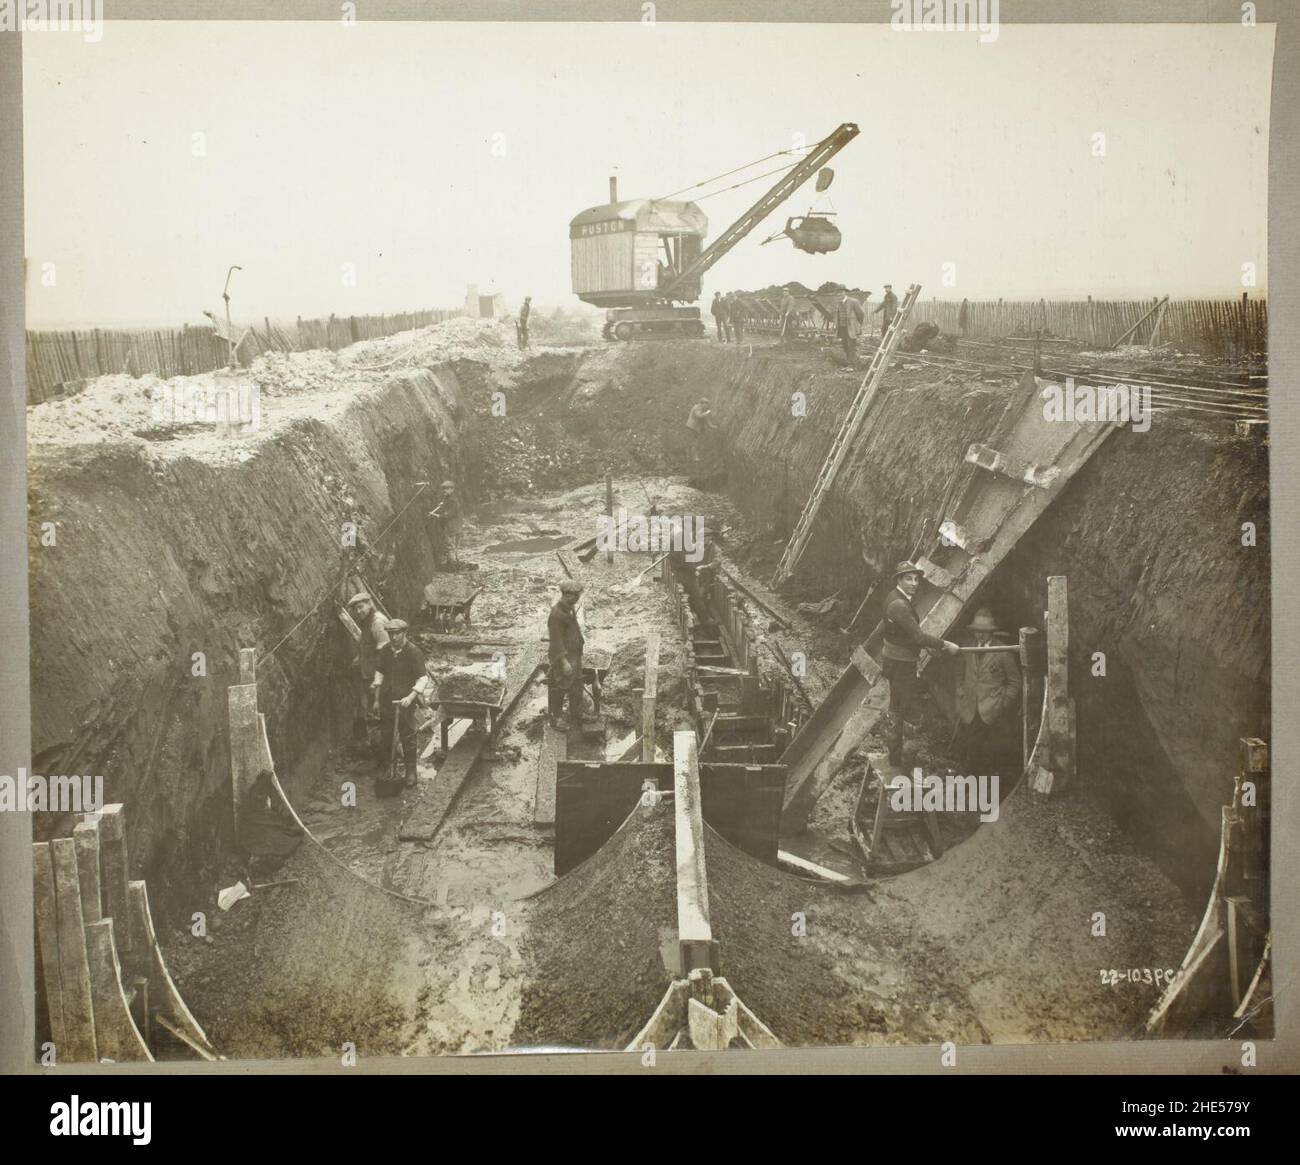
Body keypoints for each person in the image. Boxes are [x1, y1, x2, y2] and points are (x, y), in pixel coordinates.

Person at [880, 561, 960, 766]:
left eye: (916, 579)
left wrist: (925, 645)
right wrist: (945, 644)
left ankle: (895, 758)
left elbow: (902, 634)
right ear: (899, 580)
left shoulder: (896, 598)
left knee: (896, 708)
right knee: (914, 716)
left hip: (893, 661)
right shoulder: (899, 605)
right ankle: (906, 764)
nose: (914, 583)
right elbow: (917, 636)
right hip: (902, 665)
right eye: (909, 578)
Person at [951, 607, 1022, 774]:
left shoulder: (1002, 651)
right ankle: (971, 777)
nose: (980, 635)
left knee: (988, 748)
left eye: (984, 632)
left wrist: (1004, 702)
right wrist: (960, 690)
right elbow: (959, 671)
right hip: (969, 706)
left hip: (992, 708)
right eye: (977, 631)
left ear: (991, 632)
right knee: (969, 744)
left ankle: (979, 779)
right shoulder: (968, 647)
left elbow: (1015, 682)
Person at [373, 618, 427, 792]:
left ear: (405, 633)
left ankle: (411, 771)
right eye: (390, 634)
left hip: (405, 701)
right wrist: (376, 699)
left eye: (397, 633)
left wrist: (411, 697)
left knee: (408, 735)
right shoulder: (385, 651)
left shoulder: (414, 652)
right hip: (387, 699)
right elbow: (379, 674)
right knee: (387, 733)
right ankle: (388, 766)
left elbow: (422, 678)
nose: (394, 637)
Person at [347, 592, 390, 747]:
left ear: (370, 604)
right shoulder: (367, 622)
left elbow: (384, 654)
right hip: (368, 674)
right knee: (372, 713)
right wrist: (359, 660)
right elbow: (369, 647)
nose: (359, 612)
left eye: (361, 607)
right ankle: (378, 749)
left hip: (377, 677)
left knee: (378, 714)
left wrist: (377, 682)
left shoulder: (377, 622)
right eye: (356, 610)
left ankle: (383, 755)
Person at [547, 580, 586, 728]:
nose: (577, 598)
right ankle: (556, 719)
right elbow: (556, 641)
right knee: (560, 687)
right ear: (566, 595)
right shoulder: (557, 614)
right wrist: (563, 662)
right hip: (563, 657)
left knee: (576, 685)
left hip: (574, 655)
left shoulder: (569, 609)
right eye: (575, 595)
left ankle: (576, 715)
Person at [429, 479, 462, 568]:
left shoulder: (452, 500)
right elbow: (444, 506)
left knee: (450, 546)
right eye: (443, 489)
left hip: (451, 526)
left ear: (452, 489)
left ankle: (453, 566)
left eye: (447, 489)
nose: (444, 491)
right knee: (454, 546)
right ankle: (455, 563)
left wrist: (435, 515)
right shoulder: (449, 498)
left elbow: (448, 515)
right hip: (456, 526)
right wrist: (442, 505)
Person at [834, 287, 865, 367]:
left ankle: (853, 364)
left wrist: (857, 324)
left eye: (841, 292)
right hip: (842, 328)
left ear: (845, 292)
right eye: (838, 292)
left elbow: (861, 314)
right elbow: (838, 315)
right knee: (845, 345)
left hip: (851, 328)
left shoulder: (853, 302)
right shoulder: (839, 303)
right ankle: (849, 362)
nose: (840, 294)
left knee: (851, 345)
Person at [685, 396, 718, 468]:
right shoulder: (697, 407)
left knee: (695, 442)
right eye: (706, 404)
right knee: (693, 442)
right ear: (701, 403)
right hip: (691, 427)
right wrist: (707, 412)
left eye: (707, 404)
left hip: (696, 428)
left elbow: (707, 422)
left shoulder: (703, 410)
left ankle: (693, 458)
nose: (707, 406)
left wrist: (714, 427)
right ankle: (694, 458)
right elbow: (699, 416)